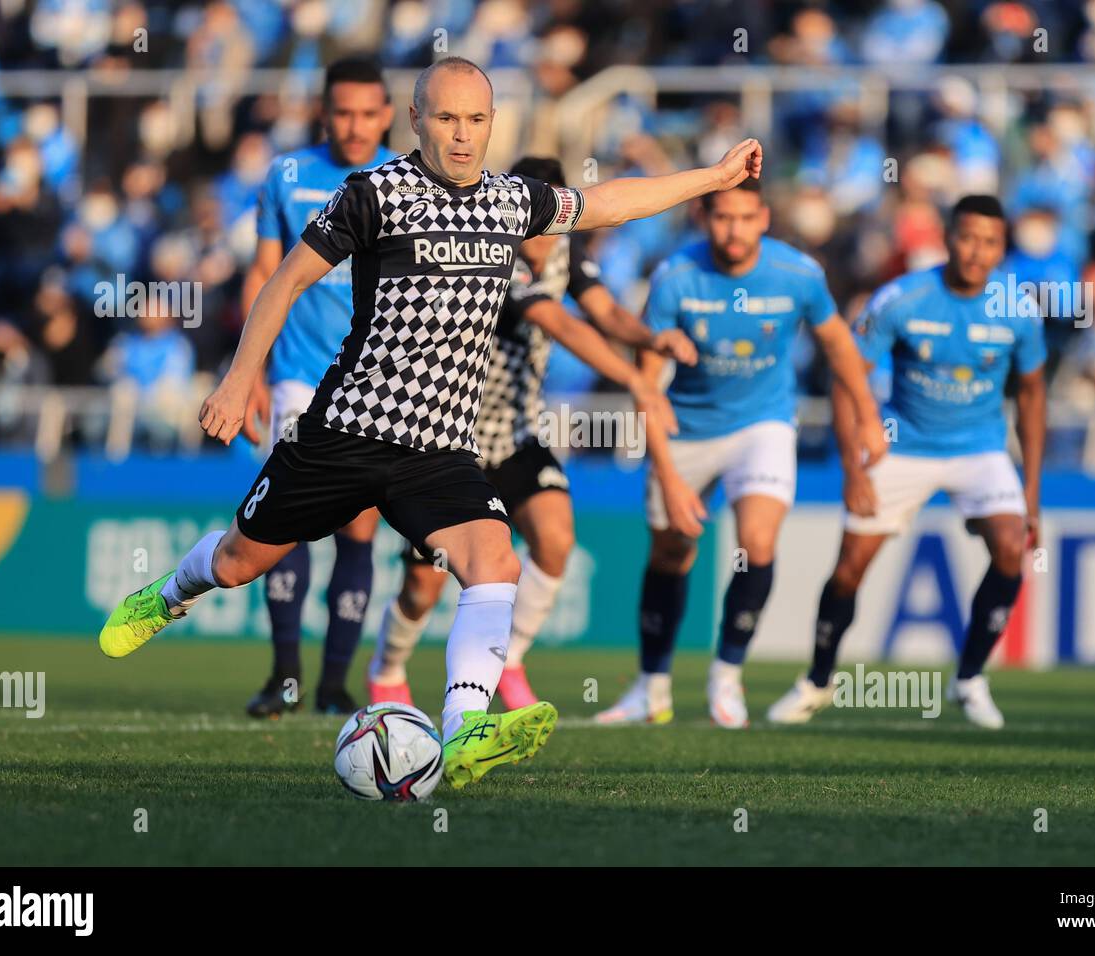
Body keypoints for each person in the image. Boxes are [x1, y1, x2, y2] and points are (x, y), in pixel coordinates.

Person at [98, 56, 764, 790]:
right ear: (414, 120)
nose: (461, 135)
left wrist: (711, 178)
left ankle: (467, 729)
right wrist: (238, 377)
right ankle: (164, 596)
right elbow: (285, 279)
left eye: (476, 120)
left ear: (492, 124)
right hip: (347, 430)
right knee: (236, 564)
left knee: (497, 560)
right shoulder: (374, 194)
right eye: (445, 118)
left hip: (440, 448)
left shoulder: (514, 201)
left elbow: (607, 204)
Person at [364, 157, 697, 711]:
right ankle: (388, 667)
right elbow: (560, 324)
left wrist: (652, 340)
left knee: (556, 538)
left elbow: (605, 313)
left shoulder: (567, 248)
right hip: (452, 436)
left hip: (517, 434)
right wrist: (636, 381)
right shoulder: (495, 251)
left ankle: (511, 659)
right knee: (424, 588)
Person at [596, 176, 885, 729]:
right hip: (684, 428)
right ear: (705, 219)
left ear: (764, 219)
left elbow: (840, 346)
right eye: (722, 218)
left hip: (764, 422)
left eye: (745, 217)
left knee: (757, 542)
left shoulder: (798, 274)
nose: (734, 229)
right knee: (671, 553)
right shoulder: (676, 277)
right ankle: (650, 686)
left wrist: (870, 416)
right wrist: (669, 475)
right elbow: (647, 386)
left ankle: (727, 676)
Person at [767, 194, 1047, 729]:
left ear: (1002, 248)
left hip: (980, 447)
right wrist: (852, 467)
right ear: (947, 237)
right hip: (903, 444)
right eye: (967, 237)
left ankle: (969, 678)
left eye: (989, 242)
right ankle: (818, 681)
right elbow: (848, 377)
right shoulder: (902, 298)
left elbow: (1033, 396)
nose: (976, 251)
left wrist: (1031, 490)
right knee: (849, 569)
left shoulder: (1019, 309)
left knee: (1013, 547)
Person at [239, 57, 396, 718]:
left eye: (367, 113)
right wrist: (248, 373)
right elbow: (265, 275)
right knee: (285, 525)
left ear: (388, 114)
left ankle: (333, 685)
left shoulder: (402, 179)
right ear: (323, 112)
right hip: (298, 379)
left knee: (358, 531)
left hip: (372, 382)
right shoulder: (289, 176)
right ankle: (285, 676)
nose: (354, 126)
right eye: (342, 112)